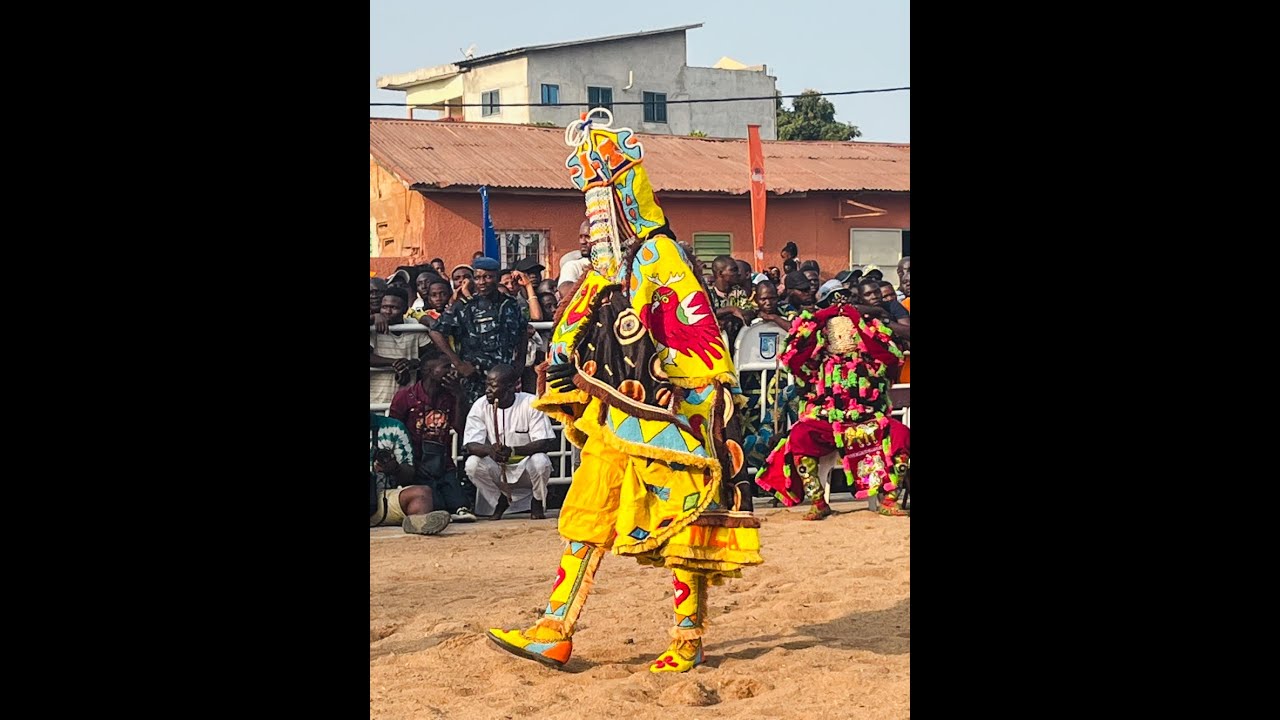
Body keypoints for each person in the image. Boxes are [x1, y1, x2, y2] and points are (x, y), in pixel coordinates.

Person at [486, 110, 761, 673]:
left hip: (677, 415)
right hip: (618, 416)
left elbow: (685, 339)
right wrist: (570, 364)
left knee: (684, 522)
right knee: (586, 510)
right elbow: (580, 335)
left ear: (624, 210)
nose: (589, 232)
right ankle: (553, 630)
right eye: (586, 221)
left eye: (598, 216)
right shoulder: (603, 275)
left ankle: (688, 638)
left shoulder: (660, 258)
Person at [754, 293, 910, 519]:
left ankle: (889, 499)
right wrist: (823, 317)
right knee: (799, 436)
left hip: (867, 420)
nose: (841, 336)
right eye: (835, 332)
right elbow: (792, 357)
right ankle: (818, 501)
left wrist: (856, 317)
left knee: (901, 434)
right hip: (826, 420)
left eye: (847, 331)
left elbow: (892, 357)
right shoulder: (816, 361)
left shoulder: (871, 359)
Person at [390, 356, 479, 523]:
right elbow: (394, 431)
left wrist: (459, 396)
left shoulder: (450, 396)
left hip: (442, 462)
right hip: (416, 462)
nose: (451, 371)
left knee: (460, 504)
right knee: (433, 502)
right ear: (428, 371)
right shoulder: (405, 397)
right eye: (446, 367)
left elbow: (460, 428)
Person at [429, 257, 527, 406]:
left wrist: (520, 363)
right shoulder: (464, 306)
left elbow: (523, 331)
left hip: (505, 380)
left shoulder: (511, 304)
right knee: (476, 418)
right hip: (475, 379)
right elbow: (436, 332)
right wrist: (458, 363)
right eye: (477, 278)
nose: (482, 282)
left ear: (497, 278)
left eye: (488, 277)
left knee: (506, 417)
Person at [463, 364, 556, 520]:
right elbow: (471, 444)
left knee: (541, 461)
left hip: (525, 469)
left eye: (493, 386)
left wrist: (513, 451)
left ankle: (538, 500)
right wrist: (490, 450)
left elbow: (544, 442)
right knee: (472, 464)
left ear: (511, 387)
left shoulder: (530, 403)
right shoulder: (480, 405)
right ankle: (500, 500)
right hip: (498, 469)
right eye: (487, 385)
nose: (488, 390)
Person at [369, 412, 452, 535]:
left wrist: (394, 468)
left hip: (378, 499)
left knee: (421, 493)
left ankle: (418, 522)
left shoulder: (393, 427)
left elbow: (409, 474)